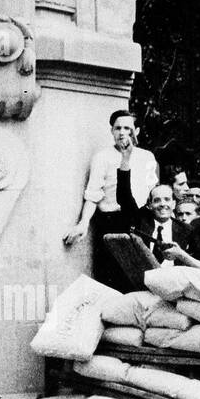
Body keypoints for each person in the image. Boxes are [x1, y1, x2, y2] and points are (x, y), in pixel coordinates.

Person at [64, 109, 161, 288]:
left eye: (127, 128)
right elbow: (93, 194)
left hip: (141, 223)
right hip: (112, 222)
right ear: (111, 131)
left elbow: (154, 192)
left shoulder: (147, 157)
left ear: (137, 131)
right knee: (112, 277)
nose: (122, 132)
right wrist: (83, 222)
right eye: (117, 128)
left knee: (143, 276)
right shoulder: (102, 157)